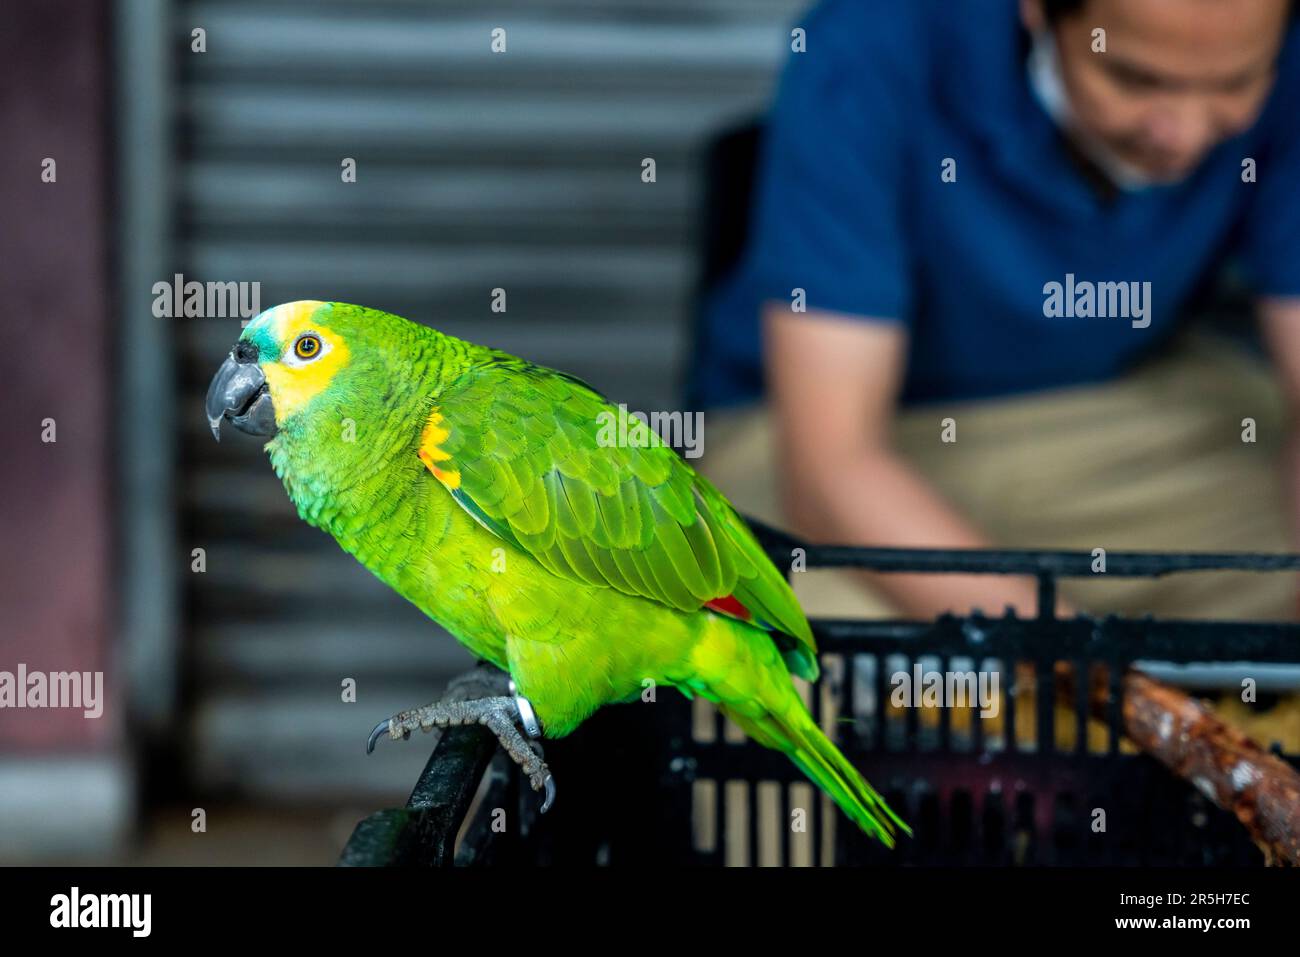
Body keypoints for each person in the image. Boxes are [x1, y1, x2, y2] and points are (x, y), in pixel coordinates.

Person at [691, 0, 1300, 621]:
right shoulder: (870, 43)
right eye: (1134, 80)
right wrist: (1089, 675)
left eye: (1235, 84)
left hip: (1118, 420)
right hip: (822, 437)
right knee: (769, 657)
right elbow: (830, 475)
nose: (1185, 134)